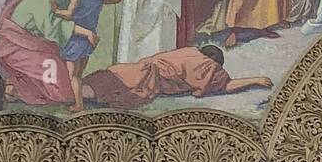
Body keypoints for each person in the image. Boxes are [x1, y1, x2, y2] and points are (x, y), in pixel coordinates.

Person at [0, 0, 93, 108]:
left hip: (35, 45)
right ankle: (15, 87)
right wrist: (82, 31)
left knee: (67, 84)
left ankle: (17, 87)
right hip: (17, 47)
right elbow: (51, 28)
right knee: (64, 93)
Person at [82, 44, 272, 108]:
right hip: (144, 79)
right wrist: (254, 79)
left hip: (130, 69)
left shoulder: (188, 51)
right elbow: (227, 85)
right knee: (107, 90)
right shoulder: (207, 65)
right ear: (215, 61)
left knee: (98, 82)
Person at [53, 0, 136, 112]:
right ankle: (77, 100)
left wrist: (55, 11)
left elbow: (69, 15)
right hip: (88, 39)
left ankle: (79, 105)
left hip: (76, 37)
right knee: (78, 74)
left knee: (73, 75)